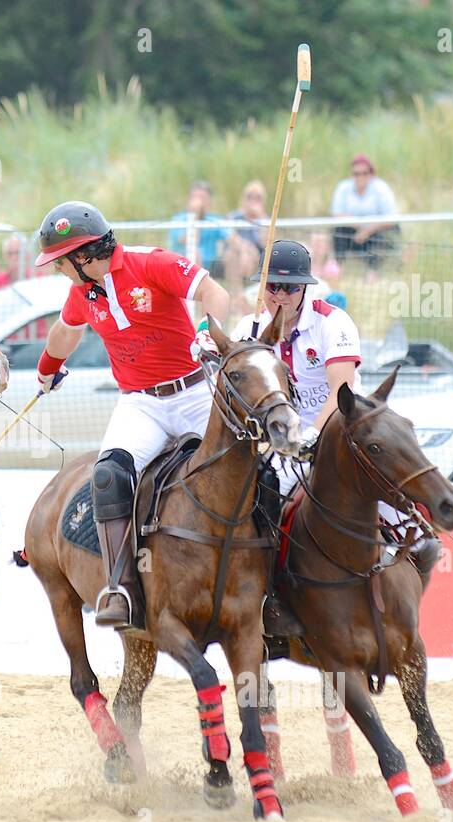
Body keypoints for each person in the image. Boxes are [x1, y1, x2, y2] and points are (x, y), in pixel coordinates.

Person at [34, 200, 231, 629]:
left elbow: (214, 293)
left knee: (243, 470)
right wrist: (48, 367)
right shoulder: (81, 292)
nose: (57, 269)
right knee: (108, 475)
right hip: (141, 403)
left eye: (60, 262)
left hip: (194, 392)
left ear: (83, 255)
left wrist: (207, 331)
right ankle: (121, 587)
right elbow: (67, 330)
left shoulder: (150, 264)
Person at [224, 239, 363, 639]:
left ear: (305, 288)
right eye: (273, 287)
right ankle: (267, 591)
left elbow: (341, 393)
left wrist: (313, 436)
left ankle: (402, 542)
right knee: (258, 494)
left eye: (290, 287)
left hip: (337, 425)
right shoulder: (248, 329)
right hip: (281, 438)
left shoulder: (332, 322)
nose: (280, 296)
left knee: (387, 465)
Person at [325, 154, 401, 277]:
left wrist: (368, 230)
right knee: (339, 230)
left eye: (364, 173)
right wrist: (361, 228)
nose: (360, 176)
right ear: (351, 174)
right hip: (353, 232)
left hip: (377, 232)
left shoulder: (381, 188)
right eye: (356, 173)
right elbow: (337, 215)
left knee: (387, 235)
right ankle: (337, 268)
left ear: (371, 174)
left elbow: (392, 218)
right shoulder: (343, 187)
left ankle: (373, 272)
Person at [223, 180, 268, 314]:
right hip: (236, 256)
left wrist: (260, 218)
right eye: (249, 196)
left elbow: (268, 243)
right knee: (233, 255)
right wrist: (246, 250)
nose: (253, 201)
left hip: (257, 259)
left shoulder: (265, 220)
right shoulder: (233, 217)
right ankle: (236, 297)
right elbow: (230, 238)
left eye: (258, 197)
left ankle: (242, 301)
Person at [167, 181, 229, 277]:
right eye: (195, 197)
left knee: (233, 254)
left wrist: (244, 250)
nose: (198, 202)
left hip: (211, 265)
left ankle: (237, 290)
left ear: (209, 203)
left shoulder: (214, 220)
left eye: (203, 198)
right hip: (183, 265)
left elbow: (233, 239)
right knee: (195, 253)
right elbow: (188, 241)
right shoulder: (178, 219)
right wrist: (195, 215)